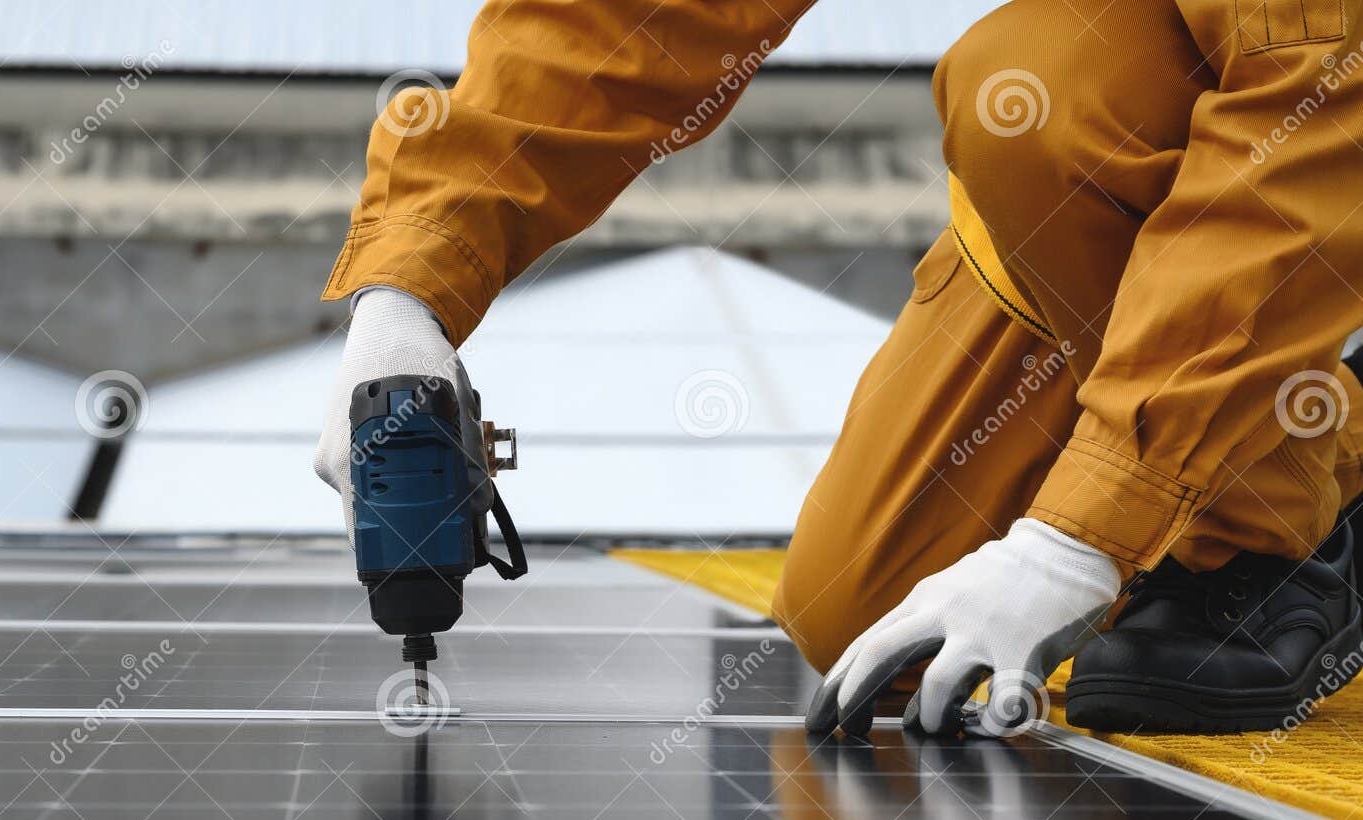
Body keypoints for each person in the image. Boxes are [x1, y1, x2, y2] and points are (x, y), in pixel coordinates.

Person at [315, 0, 1363, 736]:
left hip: (1311, 128)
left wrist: (1079, 539)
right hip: (1173, 139)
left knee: (1033, 91)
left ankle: (1270, 527)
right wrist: (408, 292)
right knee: (862, 621)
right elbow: (622, 21)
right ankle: (1266, 446)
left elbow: (1318, 90)